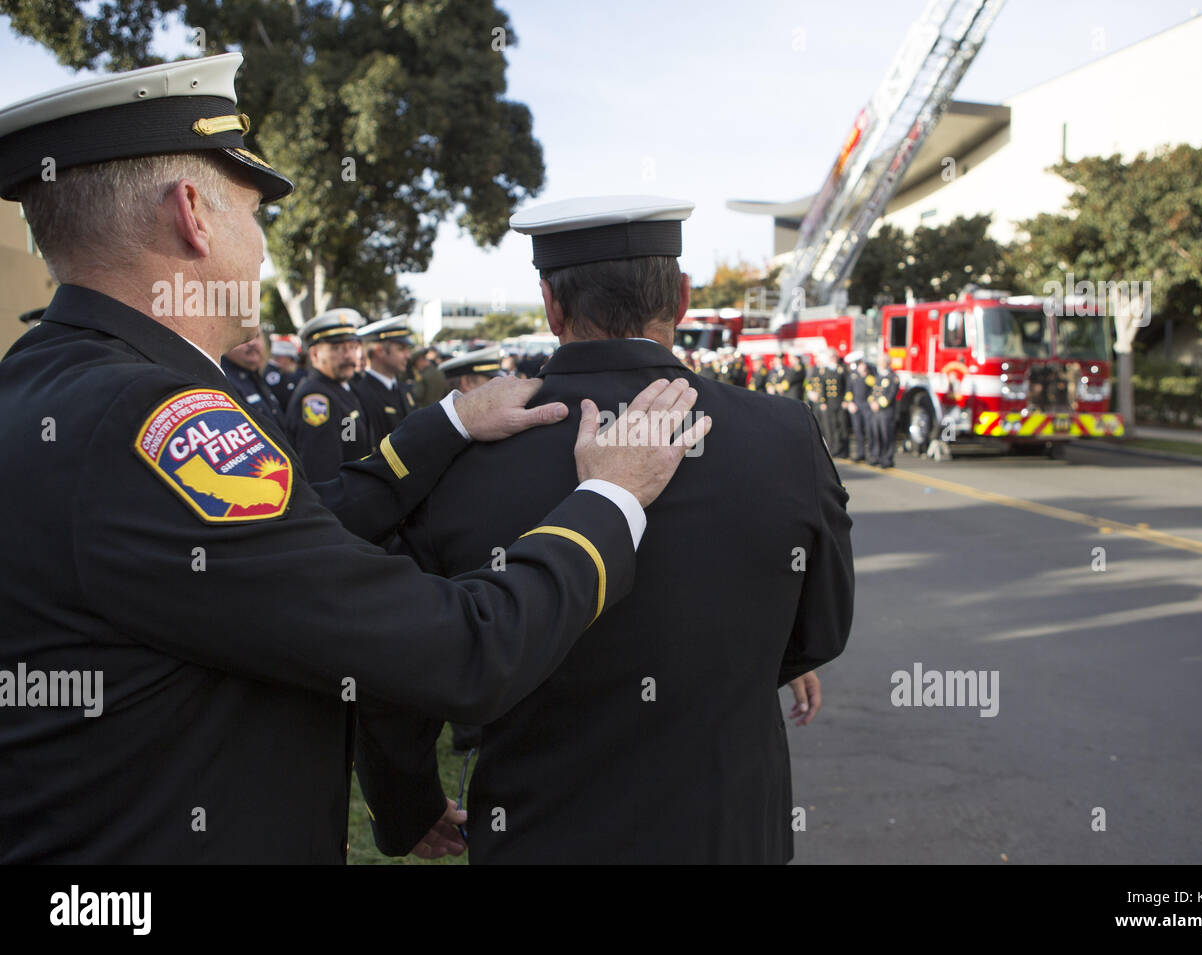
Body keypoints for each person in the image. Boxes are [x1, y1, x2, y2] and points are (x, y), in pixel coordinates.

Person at [0, 55, 707, 864]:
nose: (262, 250)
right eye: (253, 211)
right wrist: (612, 496)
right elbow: (461, 651)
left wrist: (446, 422)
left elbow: (283, 544)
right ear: (193, 213)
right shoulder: (154, 418)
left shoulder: (45, 382)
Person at [396, 195, 855, 864]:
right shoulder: (786, 433)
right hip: (726, 832)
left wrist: (407, 800)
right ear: (682, 298)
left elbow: (405, 667)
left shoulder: (466, 448)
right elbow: (823, 629)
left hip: (540, 832)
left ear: (551, 305)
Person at [285, 308, 374, 481]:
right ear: (315, 354)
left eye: (352, 347)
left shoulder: (346, 386)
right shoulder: (317, 399)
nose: (348, 356)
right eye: (337, 348)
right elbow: (322, 474)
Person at [352, 316, 418, 445]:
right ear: (379, 351)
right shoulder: (361, 394)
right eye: (401, 349)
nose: (408, 355)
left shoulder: (403, 389)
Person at [221, 331, 284, 431]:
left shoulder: (254, 375)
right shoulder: (225, 385)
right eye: (243, 338)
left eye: (256, 336)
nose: (252, 343)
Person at [869, 350, 901, 468]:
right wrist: (872, 402)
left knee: (886, 435)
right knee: (876, 434)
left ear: (887, 363)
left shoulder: (893, 377)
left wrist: (879, 404)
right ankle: (876, 456)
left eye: (881, 361)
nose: (879, 363)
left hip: (886, 411)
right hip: (876, 411)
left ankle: (887, 459)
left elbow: (891, 394)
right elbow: (874, 391)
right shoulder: (878, 375)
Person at [264, 334, 304, 407]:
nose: (293, 363)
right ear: (283, 357)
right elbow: (283, 398)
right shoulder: (273, 374)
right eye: (292, 359)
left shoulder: (277, 372)